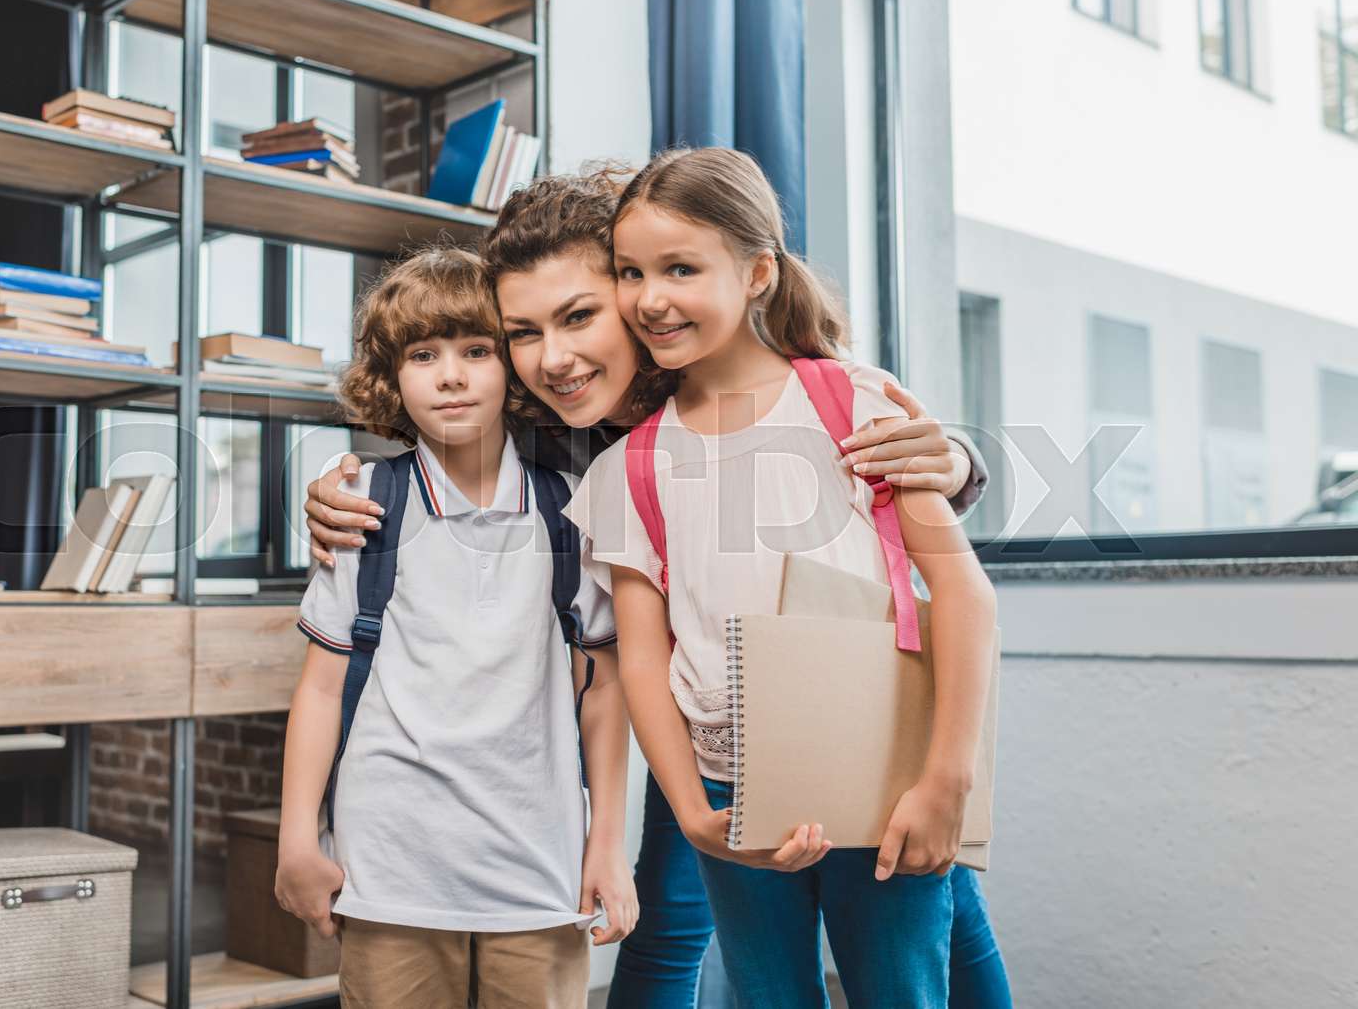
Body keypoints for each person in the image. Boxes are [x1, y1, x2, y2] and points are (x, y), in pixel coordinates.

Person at [303, 167, 1012, 1008]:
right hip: (689, 707)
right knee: (684, 914)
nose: (555, 358)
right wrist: (337, 490)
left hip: (834, 702)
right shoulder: (548, 419)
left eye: (583, 314)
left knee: (926, 905)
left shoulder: (767, 378)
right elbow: (430, 439)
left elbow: (892, 456)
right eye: (524, 332)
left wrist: (962, 459)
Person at [564, 146, 998, 1008]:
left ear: (758, 271)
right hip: (733, 789)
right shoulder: (626, 470)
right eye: (630, 272)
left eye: (680, 267)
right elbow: (643, 659)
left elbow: (964, 594)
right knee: (766, 994)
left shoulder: (854, 404)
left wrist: (948, 776)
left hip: (884, 767)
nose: (649, 296)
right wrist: (691, 813)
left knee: (903, 990)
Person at [273, 247, 639, 1009]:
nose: (450, 375)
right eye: (423, 354)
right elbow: (320, 687)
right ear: (390, 373)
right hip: (391, 869)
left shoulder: (570, 507)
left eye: (477, 350)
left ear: (513, 368)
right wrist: (296, 838)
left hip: (538, 868)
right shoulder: (365, 502)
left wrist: (608, 842)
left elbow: (603, 690)